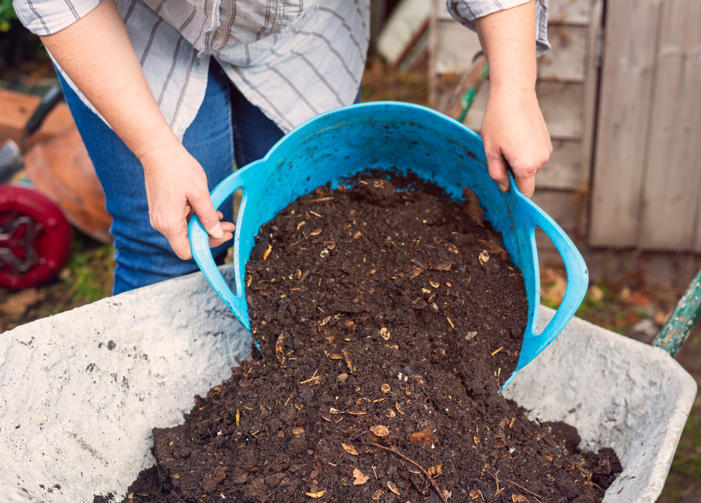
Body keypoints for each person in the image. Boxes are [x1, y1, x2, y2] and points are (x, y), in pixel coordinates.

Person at [13, 0, 552, 294]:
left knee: (316, 225)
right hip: (138, 23)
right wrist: (156, 148)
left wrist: (515, 85)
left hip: (300, 24)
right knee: (168, 244)